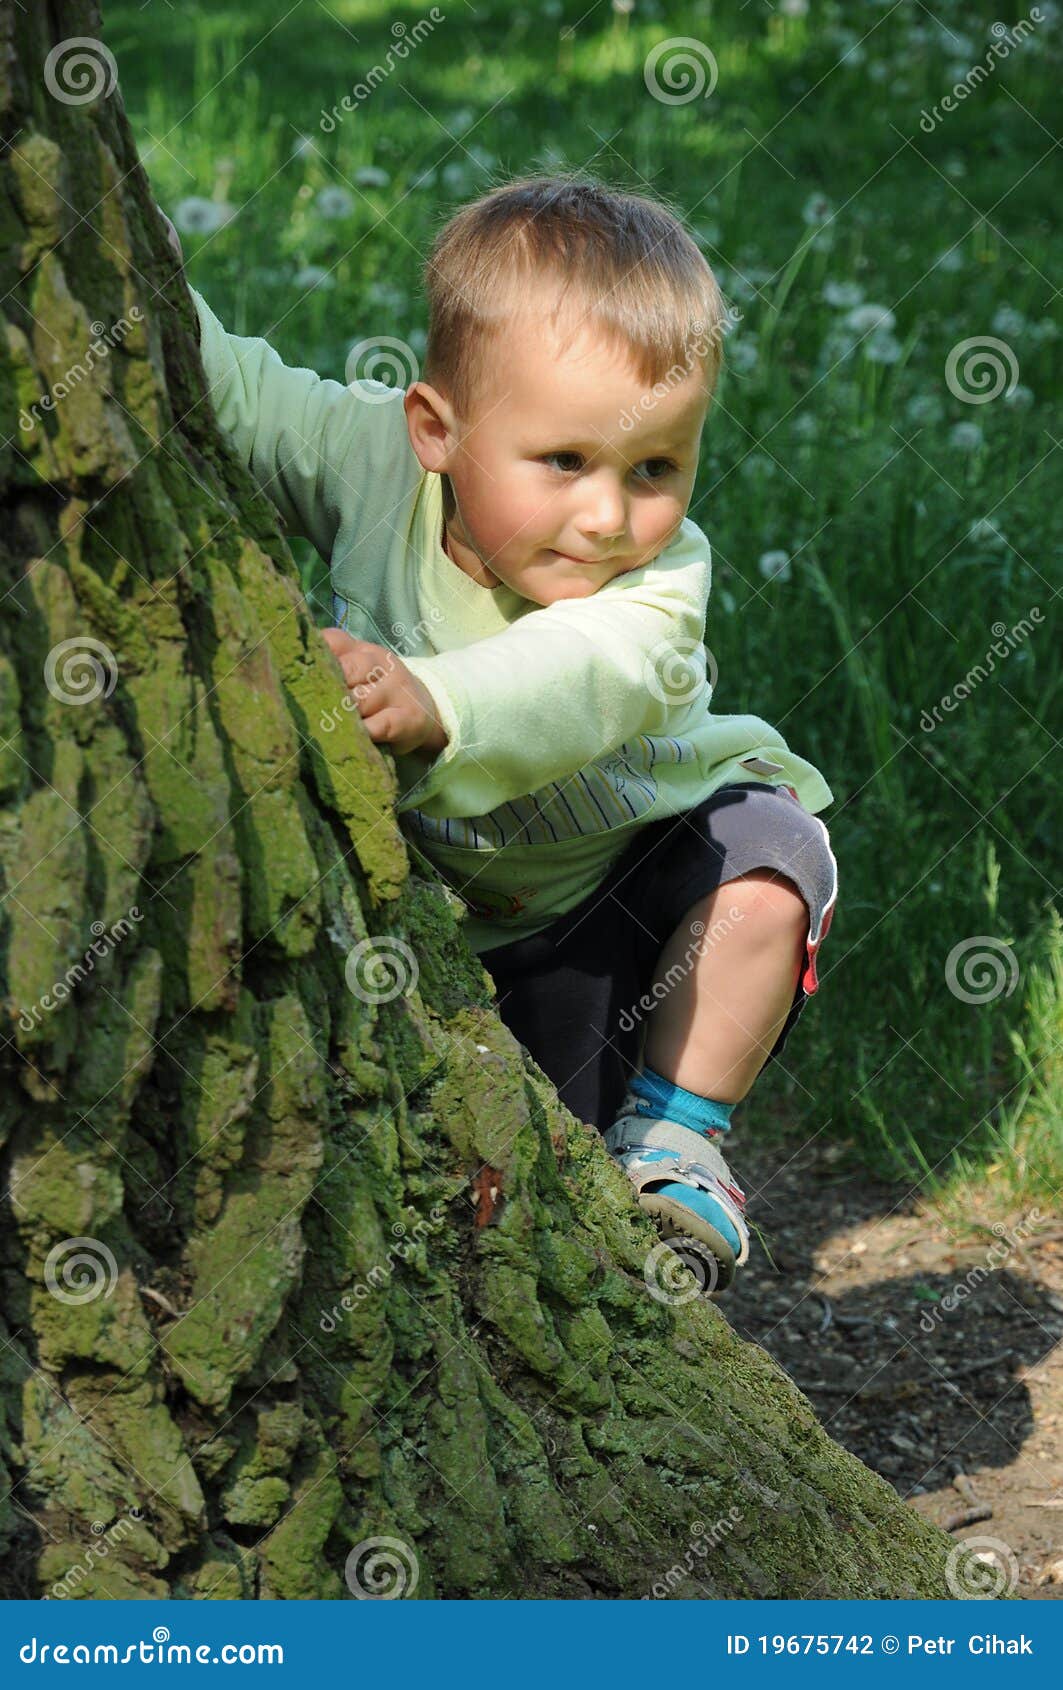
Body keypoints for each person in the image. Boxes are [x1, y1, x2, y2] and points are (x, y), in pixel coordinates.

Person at [166, 173, 837, 1295]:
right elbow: (243, 398)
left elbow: (581, 676)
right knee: (506, 1188)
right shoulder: (372, 462)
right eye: (565, 461)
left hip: (626, 891)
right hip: (458, 918)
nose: (608, 516)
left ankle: (679, 1134)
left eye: (656, 468)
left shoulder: (659, 582)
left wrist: (440, 701)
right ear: (436, 429)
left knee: (771, 861)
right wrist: (141, 272)